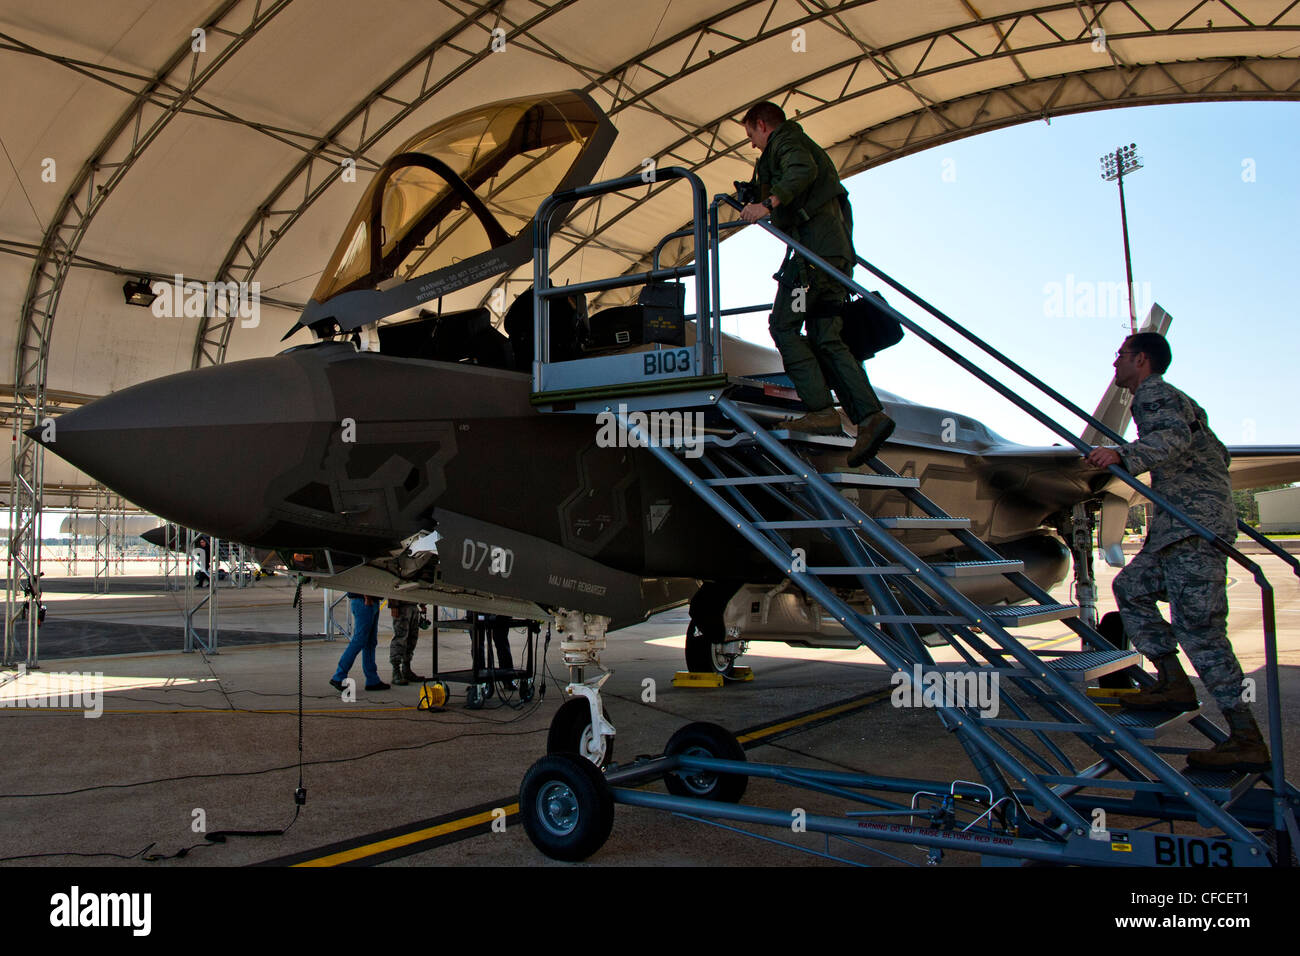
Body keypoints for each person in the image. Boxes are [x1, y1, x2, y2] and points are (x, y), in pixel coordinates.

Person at [1085, 333, 1268, 772]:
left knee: (1201, 631)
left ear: (1141, 360)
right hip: (1180, 527)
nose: (1115, 363)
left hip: (1193, 529)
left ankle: (1246, 738)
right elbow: (1216, 453)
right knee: (1131, 587)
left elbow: (1171, 440)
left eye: (1121, 356)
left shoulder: (1154, 393)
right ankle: (1172, 681)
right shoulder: (1171, 398)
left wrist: (1121, 455)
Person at [738, 101, 894, 467]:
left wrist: (768, 203)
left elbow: (800, 170)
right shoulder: (793, 145)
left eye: (751, 135)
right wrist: (756, 194)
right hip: (832, 257)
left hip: (811, 261)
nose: (752, 144)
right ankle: (869, 417)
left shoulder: (787, 142)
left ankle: (821, 410)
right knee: (826, 336)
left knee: (783, 325)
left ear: (762, 125)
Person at [330, 593, 389, 692]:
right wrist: (367, 597)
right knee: (359, 641)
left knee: (370, 642)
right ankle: (339, 676)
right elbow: (363, 583)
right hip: (365, 601)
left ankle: (372, 680)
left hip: (371, 600)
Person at [388, 599, 427, 686]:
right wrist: (393, 606)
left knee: (412, 639)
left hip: (413, 606)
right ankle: (396, 671)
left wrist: (422, 603)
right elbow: (393, 590)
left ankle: (406, 669)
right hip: (402, 607)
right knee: (400, 638)